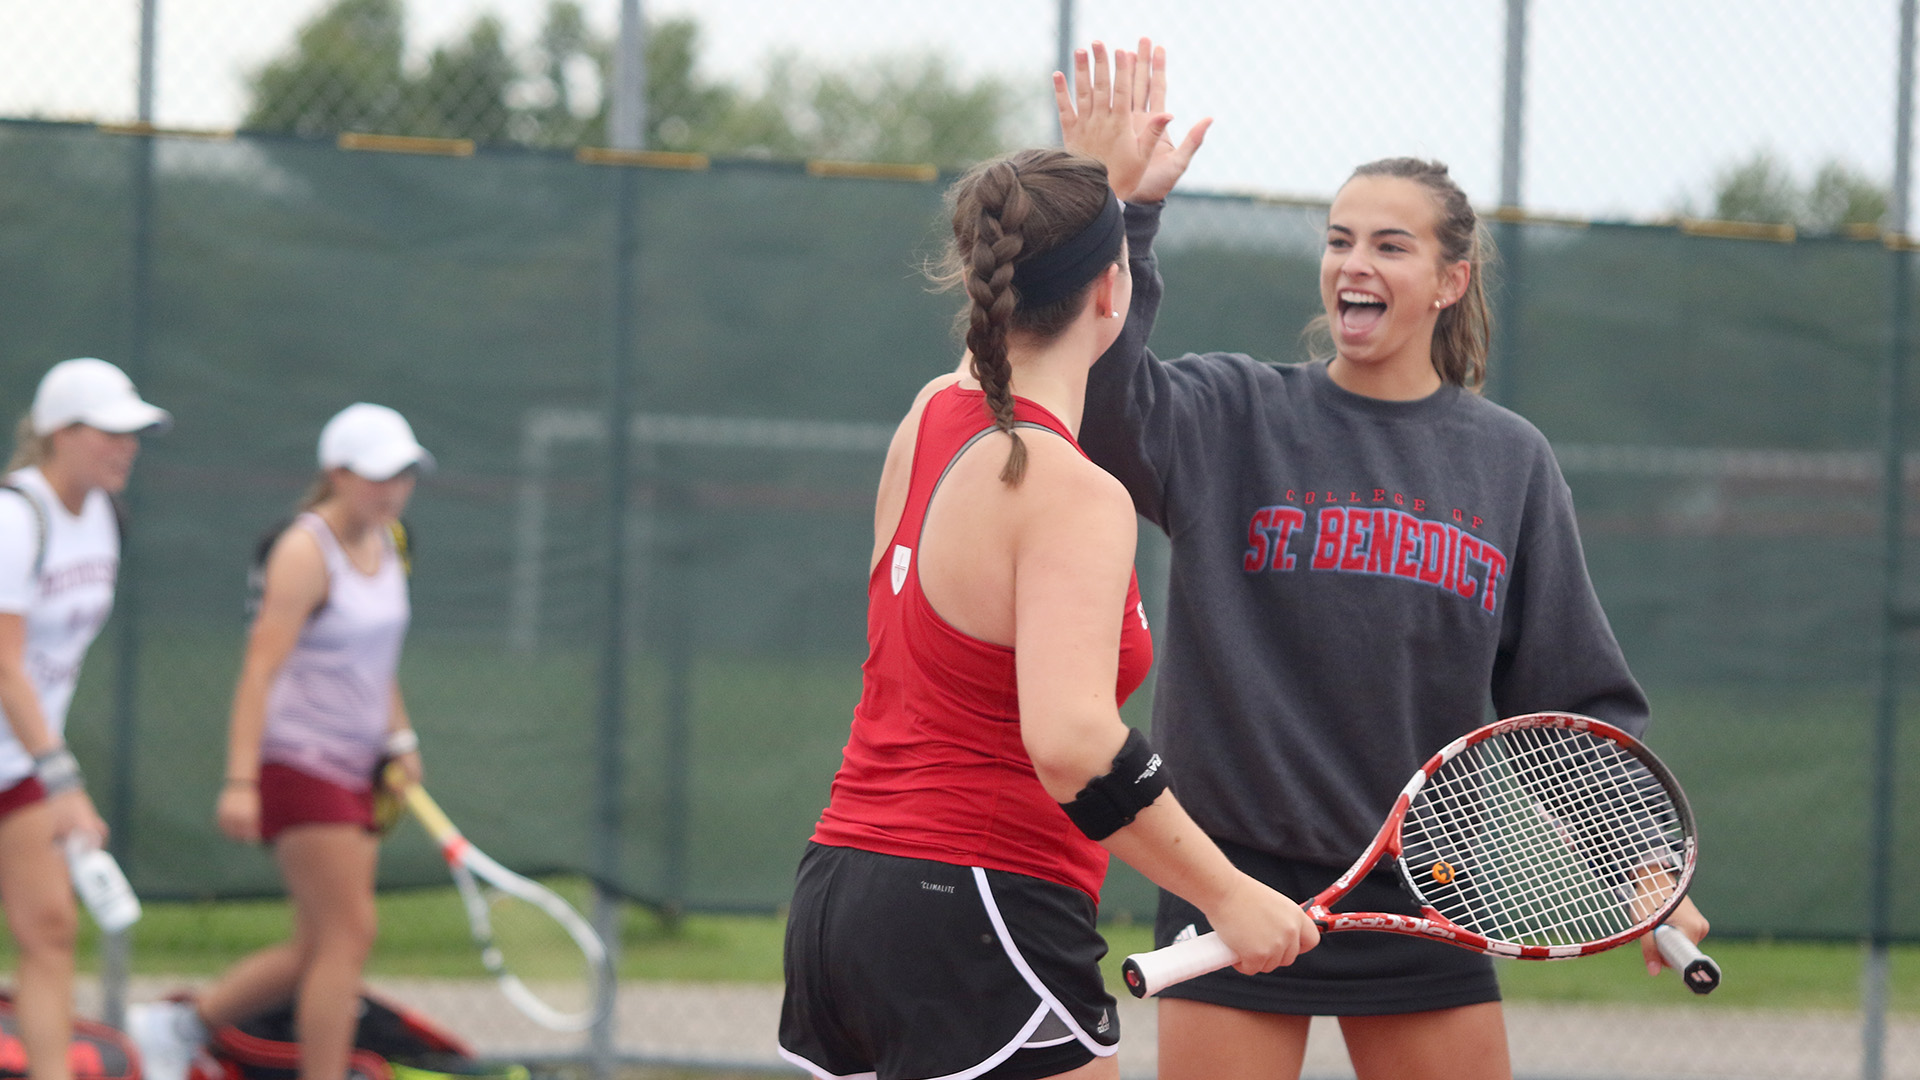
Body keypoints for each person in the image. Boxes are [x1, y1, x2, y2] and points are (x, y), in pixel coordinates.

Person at [1057, 39, 1713, 1080]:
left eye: (1391, 246)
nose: (1354, 263)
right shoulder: (1232, 413)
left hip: (1425, 891)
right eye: (1339, 239)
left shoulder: (1509, 463)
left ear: (1449, 280)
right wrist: (1122, 212)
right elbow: (1093, 401)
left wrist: (1638, 860)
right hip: (1234, 883)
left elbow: (1572, 693)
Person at [777, 53, 1320, 1080]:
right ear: (1114, 289)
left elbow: (1016, 307)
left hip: (840, 898)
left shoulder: (929, 419)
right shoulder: (1073, 492)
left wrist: (1099, 189)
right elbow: (1073, 743)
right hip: (976, 904)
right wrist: (1228, 894)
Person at [130, 403, 431, 1080]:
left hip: (357, 767)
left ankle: (179, 1027)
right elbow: (260, 667)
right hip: (300, 764)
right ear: (336, 474)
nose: (392, 489)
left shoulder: (392, 542)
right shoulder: (303, 551)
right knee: (349, 937)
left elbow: (374, 661)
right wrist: (240, 781)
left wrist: (399, 738)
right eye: (378, 475)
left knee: (318, 944)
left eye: (404, 474)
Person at [0, 358, 170, 1080]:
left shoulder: (105, 517)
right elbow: (5, 661)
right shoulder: (14, 516)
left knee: (50, 930)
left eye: (134, 433)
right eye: (110, 432)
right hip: (41, 765)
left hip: (20, 765)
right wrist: (64, 778)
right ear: (59, 434)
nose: (127, 446)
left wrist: (47, 769)